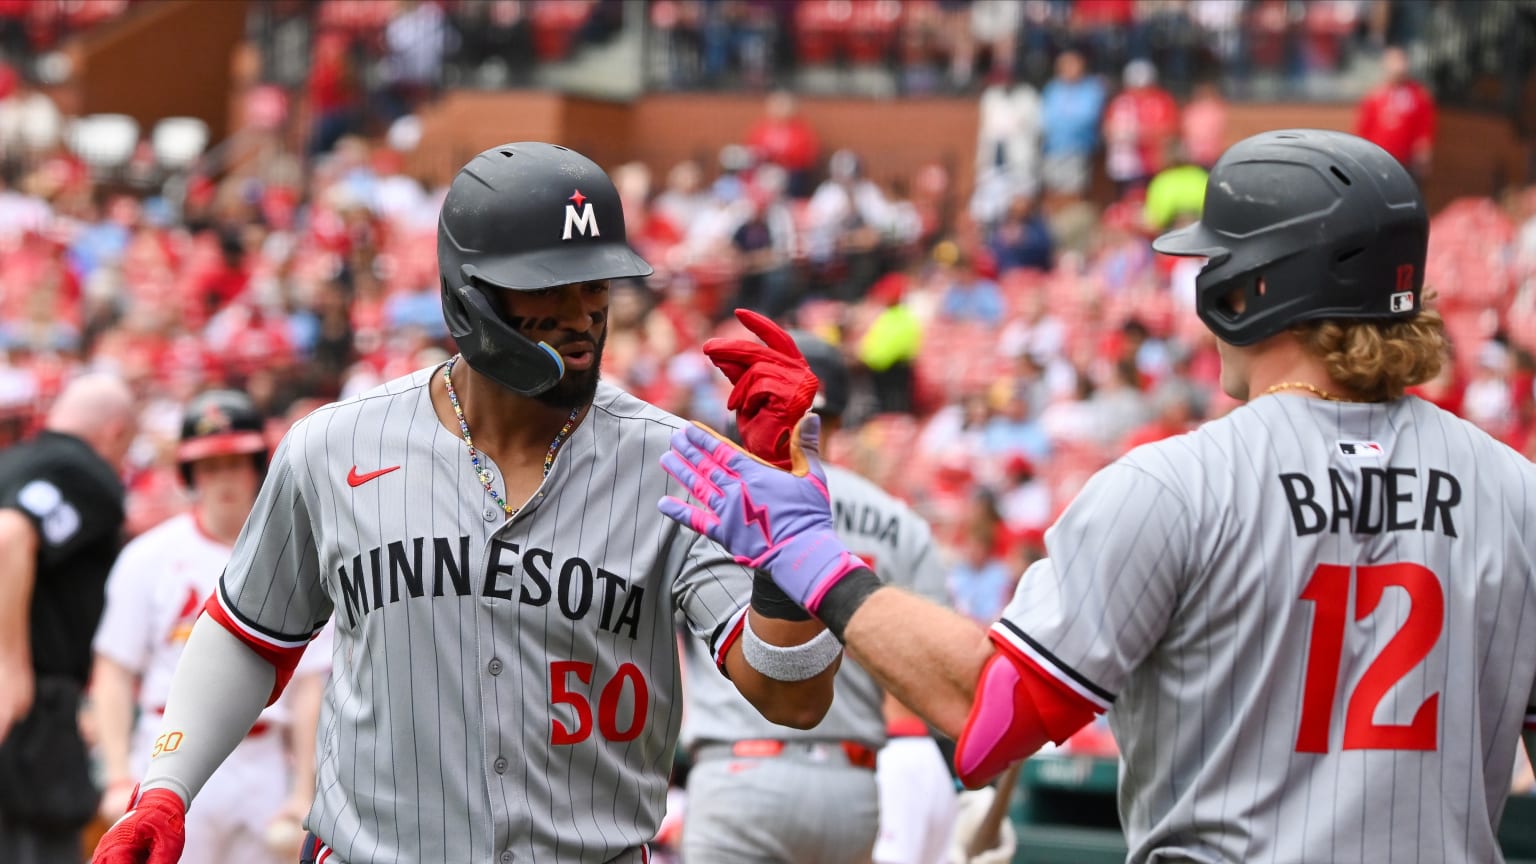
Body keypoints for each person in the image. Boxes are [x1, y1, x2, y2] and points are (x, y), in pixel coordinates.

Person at [659, 129, 1536, 863]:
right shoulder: (1517, 491)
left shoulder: (1179, 482)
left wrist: (811, 558)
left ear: (1254, 288)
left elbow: (990, 715)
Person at [90, 142, 839, 864]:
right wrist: (165, 789)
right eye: (549, 287)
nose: (581, 317)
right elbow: (249, 633)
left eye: (596, 286)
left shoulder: (677, 462)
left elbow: (791, 698)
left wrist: (783, 547)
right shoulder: (334, 446)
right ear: (468, 296)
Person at [679, 323, 948, 864]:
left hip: (738, 768)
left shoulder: (713, 494)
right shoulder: (898, 519)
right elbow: (933, 669)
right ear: (842, 417)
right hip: (850, 783)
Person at [88, 390, 330, 864]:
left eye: (235, 462)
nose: (223, 479)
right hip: (167, 750)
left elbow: (309, 686)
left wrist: (305, 786)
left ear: (257, 465)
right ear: (188, 473)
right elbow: (114, 671)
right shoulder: (149, 555)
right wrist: (119, 773)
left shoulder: (294, 554)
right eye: (209, 466)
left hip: (261, 759)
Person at [0, 373, 136, 864]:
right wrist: (10, 666)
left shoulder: (12, 462)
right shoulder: (83, 469)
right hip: (29, 712)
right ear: (116, 432)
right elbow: (11, 536)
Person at [1355, 45, 1436, 179]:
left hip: (1407, 161)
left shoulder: (1419, 96)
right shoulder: (1375, 96)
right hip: (1377, 160)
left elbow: (1424, 130)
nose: (1396, 67)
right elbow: (1364, 129)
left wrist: (1423, 153)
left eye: (1400, 61)